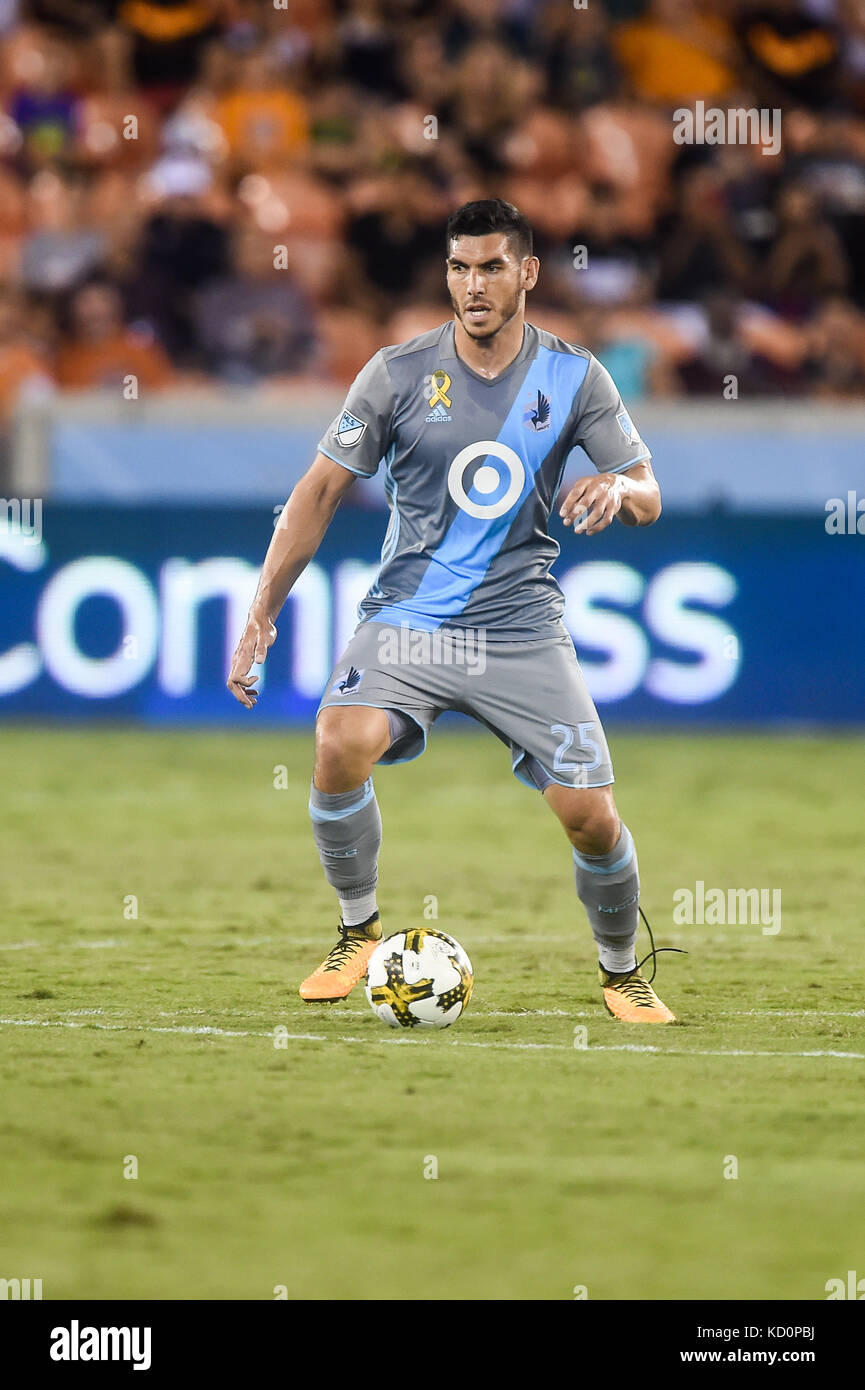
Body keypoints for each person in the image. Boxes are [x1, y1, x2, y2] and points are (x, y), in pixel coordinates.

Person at [227, 198, 675, 1024]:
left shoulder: (575, 377)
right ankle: (357, 929)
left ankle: (621, 972)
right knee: (337, 740)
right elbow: (318, 492)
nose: (473, 285)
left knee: (590, 816)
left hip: (520, 627)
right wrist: (261, 610)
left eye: (491, 267)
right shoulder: (396, 372)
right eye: (459, 268)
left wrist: (617, 485)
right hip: (409, 617)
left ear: (526, 273)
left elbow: (649, 492)